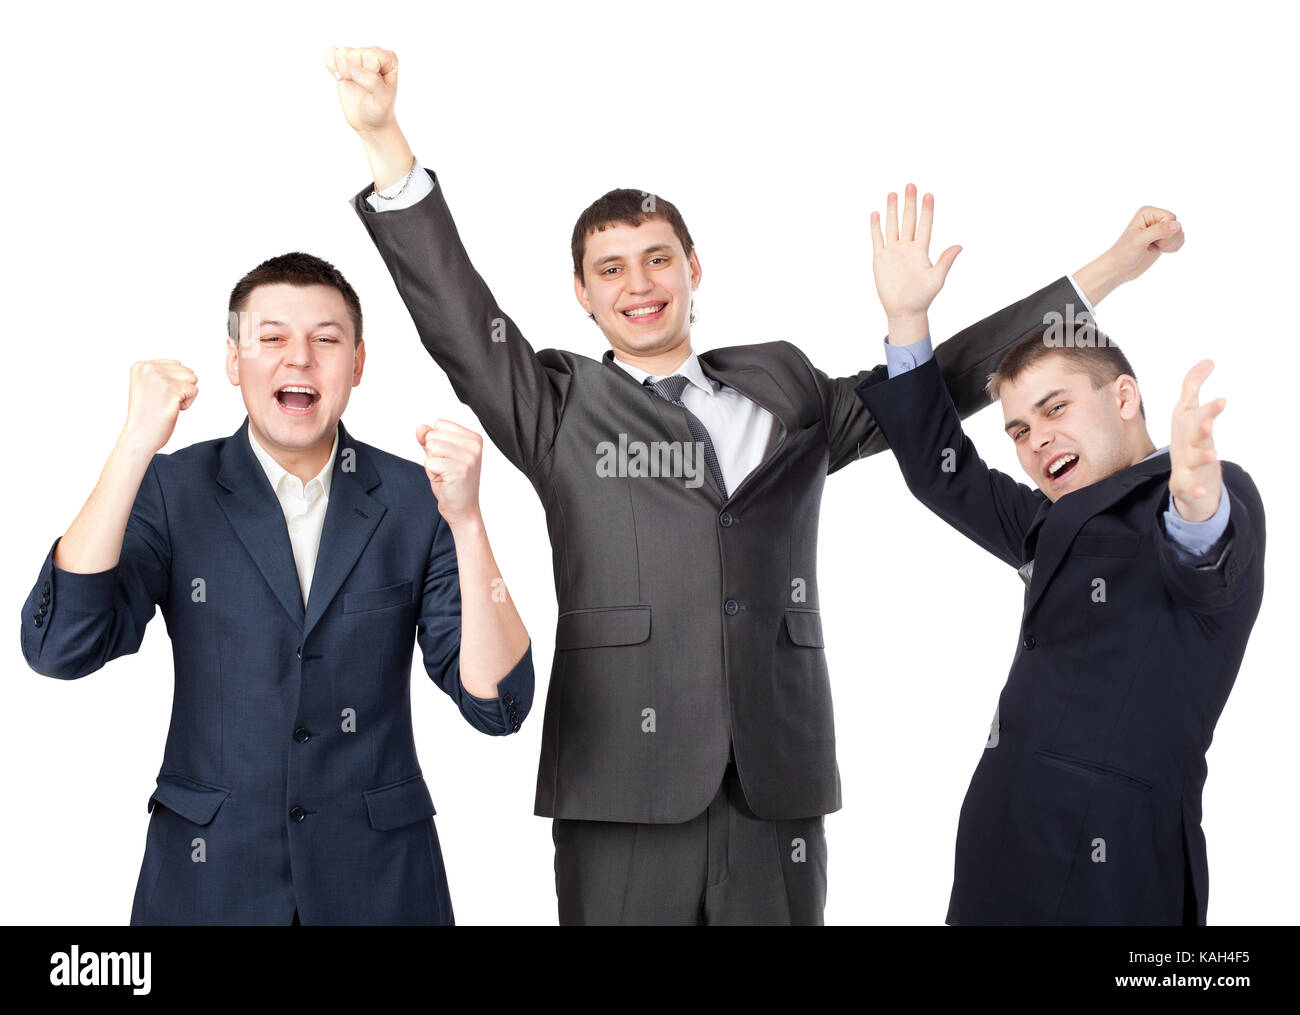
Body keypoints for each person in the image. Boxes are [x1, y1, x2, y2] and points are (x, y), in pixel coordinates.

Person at [326, 44, 1179, 925]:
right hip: (622, 787)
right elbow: (459, 318)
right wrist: (386, 139)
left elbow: (937, 385)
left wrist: (1101, 272)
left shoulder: (783, 384)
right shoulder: (558, 405)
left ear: (696, 269)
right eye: (610, 269)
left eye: (658, 259)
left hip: (778, 790)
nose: (639, 284)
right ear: (580, 294)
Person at [19, 252, 534, 925]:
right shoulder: (174, 490)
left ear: (357, 363)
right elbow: (61, 645)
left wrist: (466, 520)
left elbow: (497, 704)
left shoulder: (415, 498)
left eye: (325, 339)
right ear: (234, 362)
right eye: (271, 338)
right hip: (211, 880)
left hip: (379, 885)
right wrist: (134, 445)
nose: (299, 360)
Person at [854, 193, 1264, 924]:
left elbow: (1203, 555)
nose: (1035, 439)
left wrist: (1200, 497)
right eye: (1017, 427)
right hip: (998, 858)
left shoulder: (1194, 499)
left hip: (1115, 876)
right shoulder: (1049, 522)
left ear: (1126, 397)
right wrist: (907, 323)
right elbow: (941, 470)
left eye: (1054, 408)